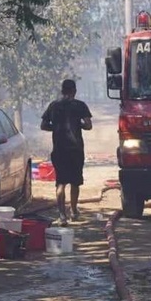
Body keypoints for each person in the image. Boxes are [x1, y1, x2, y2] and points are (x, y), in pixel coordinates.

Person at [41, 79, 93, 225]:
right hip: (75, 149)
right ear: (74, 91)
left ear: (62, 91)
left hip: (59, 150)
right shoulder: (80, 106)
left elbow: (43, 125)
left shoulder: (54, 106)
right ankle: (74, 212)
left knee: (60, 183)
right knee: (75, 182)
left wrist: (57, 127)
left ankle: (62, 216)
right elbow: (89, 125)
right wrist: (79, 124)